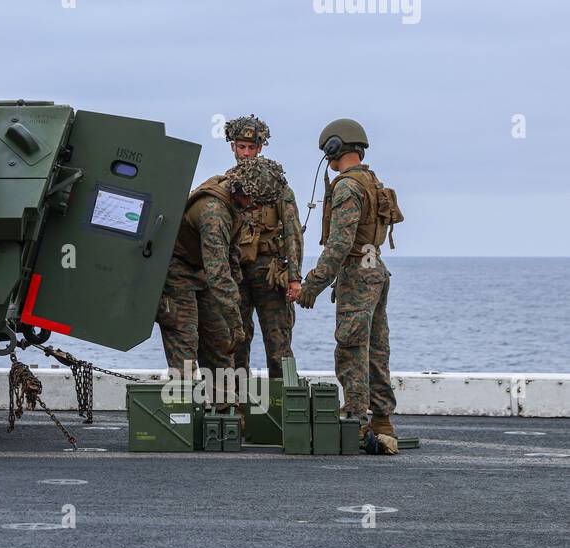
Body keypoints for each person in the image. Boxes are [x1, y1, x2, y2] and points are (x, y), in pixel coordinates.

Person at [295, 119, 404, 453]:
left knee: (351, 349)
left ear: (334, 147)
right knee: (376, 349)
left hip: (358, 272)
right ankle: (383, 421)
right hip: (376, 268)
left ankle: (356, 421)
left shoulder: (347, 187)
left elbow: (339, 245)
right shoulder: (371, 180)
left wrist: (311, 285)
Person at [156, 156, 286, 406]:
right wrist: (236, 319)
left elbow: (232, 256)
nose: (257, 209)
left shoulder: (237, 205)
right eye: (256, 203)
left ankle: (224, 409)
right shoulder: (213, 212)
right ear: (243, 190)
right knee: (185, 341)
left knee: (220, 341)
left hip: (203, 270)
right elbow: (218, 272)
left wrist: (232, 314)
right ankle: (184, 413)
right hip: (178, 270)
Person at [223, 115, 303, 378]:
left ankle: (288, 406)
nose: (246, 153)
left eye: (252, 147)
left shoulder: (277, 185)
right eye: (241, 147)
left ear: (260, 148)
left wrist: (294, 278)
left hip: (269, 272)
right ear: (233, 147)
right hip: (236, 273)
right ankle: (236, 408)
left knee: (279, 343)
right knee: (235, 341)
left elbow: (292, 231)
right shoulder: (225, 185)